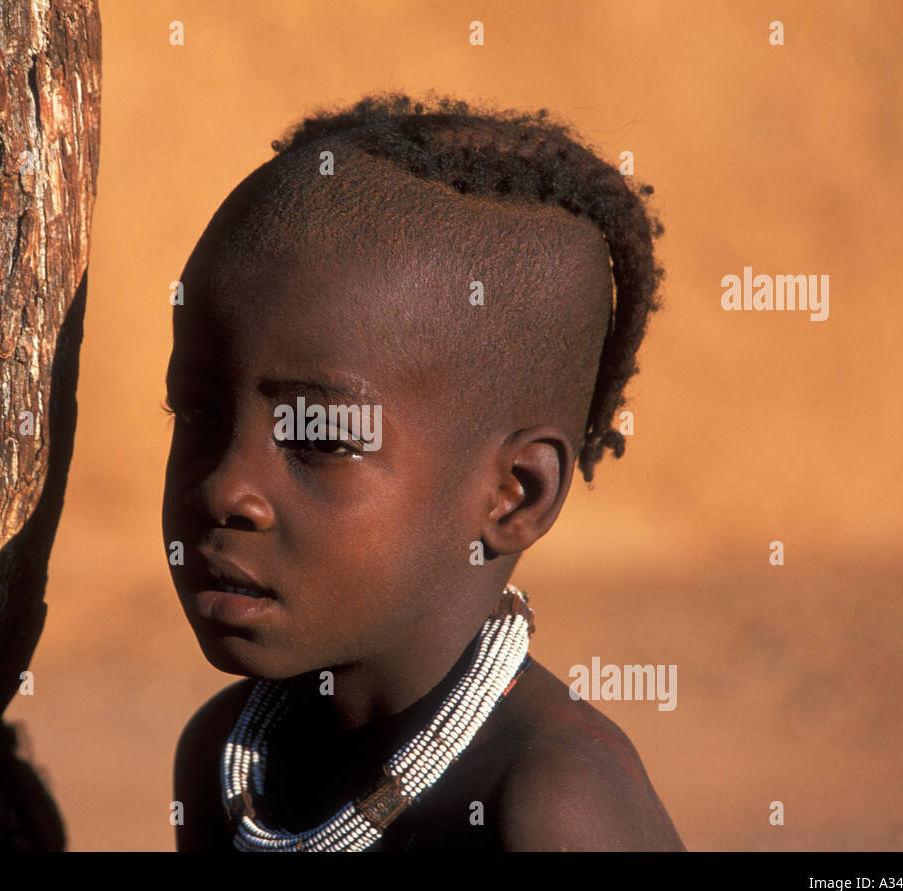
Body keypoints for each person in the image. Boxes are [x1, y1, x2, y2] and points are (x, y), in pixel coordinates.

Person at [164, 92, 683, 851]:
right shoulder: (234, 765)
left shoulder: (550, 804)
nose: (224, 489)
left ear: (515, 494)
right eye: (199, 414)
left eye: (321, 436)